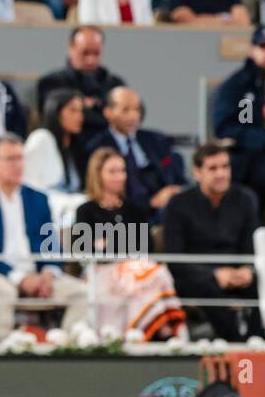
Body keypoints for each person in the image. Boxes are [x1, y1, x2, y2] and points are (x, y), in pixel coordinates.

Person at [0, 135, 88, 341]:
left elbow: (51, 244)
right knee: (3, 293)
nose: (18, 165)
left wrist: (49, 273)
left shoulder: (38, 199)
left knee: (81, 293)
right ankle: (3, 348)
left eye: (20, 158)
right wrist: (21, 279)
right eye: (10, 159)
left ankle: (64, 346)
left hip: (37, 273)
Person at [74, 146, 185, 341]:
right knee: (146, 278)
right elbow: (83, 251)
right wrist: (122, 243)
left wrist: (107, 242)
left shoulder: (135, 210)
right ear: (97, 175)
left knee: (156, 274)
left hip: (137, 268)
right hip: (100, 272)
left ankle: (159, 328)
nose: (120, 176)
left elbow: (146, 247)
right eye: (113, 171)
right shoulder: (85, 211)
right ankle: (149, 329)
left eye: (122, 170)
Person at [162, 143, 263, 341]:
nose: (221, 174)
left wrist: (246, 270)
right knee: (206, 287)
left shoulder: (245, 199)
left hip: (236, 272)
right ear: (197, 172)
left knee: (260, 281)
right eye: (213, 168)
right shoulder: (178, 204)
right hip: (196, 275)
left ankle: (259, 343)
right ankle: (235, 345)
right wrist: (214, 274)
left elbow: (251, 247)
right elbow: (174, 259)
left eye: (225, 167)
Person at [212, 25, 265, 212]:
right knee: (262, 174)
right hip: (254, 155)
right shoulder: (241, 86)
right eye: (263, 47)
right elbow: (230, 127)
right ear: (252, 50)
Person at [86, 86, 184, 217]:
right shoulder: (97, 147)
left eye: (137, 109)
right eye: (125, 110)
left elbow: (177, 177)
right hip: (124, 212)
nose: (133, 116)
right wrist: (150, 203)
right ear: (108, 112)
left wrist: (173, 191)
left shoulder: (156, 140)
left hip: (166, 208)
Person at [35, 26, 126, 144]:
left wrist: (90, 107)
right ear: (71, 48)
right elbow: (53, 119)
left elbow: (125, 117)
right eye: (85, 53)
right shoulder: (51, 82)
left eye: (96, 53)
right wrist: (103, 111)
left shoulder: (116, 84)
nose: (91, 60)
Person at [22, 89, 87, 228]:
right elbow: (30, 187)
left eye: (81, 111)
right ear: (56, 112)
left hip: (72, 214)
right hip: (48, 216)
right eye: (73, 111)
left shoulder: (75, 147)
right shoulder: (41, 139)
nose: (80, 117)